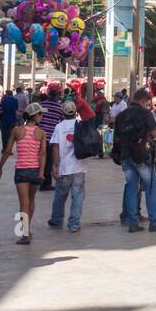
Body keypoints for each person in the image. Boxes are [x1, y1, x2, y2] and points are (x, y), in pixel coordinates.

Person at [114, 88, 156, 233]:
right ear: (142, 100)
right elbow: (154, 133)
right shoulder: (145, 114)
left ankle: (133, 222)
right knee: (151, 187)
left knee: (132, 188)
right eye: (147, 103)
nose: (148, 106)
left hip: (126, 157)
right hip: (142, 156)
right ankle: (155, 221)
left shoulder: (121, 116)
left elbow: (117, 138)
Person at [0, 103, 47, 245]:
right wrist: (42, 172)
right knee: (31, 200)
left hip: (21, 171)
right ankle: (27, 229)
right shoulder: (41, 133)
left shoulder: (17, 131)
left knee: (23, 203)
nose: (42, 117)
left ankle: (24, 234)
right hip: (35, 171)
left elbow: (7, 151)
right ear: (35, 116)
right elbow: (42, 154)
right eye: (41, 114)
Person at [47, 93, 95, 233]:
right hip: (80, 167)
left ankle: (56, 220)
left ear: (63, 112)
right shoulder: (80, 125)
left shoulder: (59, 127)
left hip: (64, 167)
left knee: (60, 196)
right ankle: (74, 224)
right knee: (78, 196)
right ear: (75, 111)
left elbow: (55, 147)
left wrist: (54, 165)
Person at [37, 86, 64, 191]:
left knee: (40, 158)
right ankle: (45, 183)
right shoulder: (59, 107)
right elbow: (61, 121)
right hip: (52, 137)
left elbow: (37, 119)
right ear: (57, 95)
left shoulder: (41, 105)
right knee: (48, 160)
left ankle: (39, 179)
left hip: (40, 137)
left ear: (48, 94)